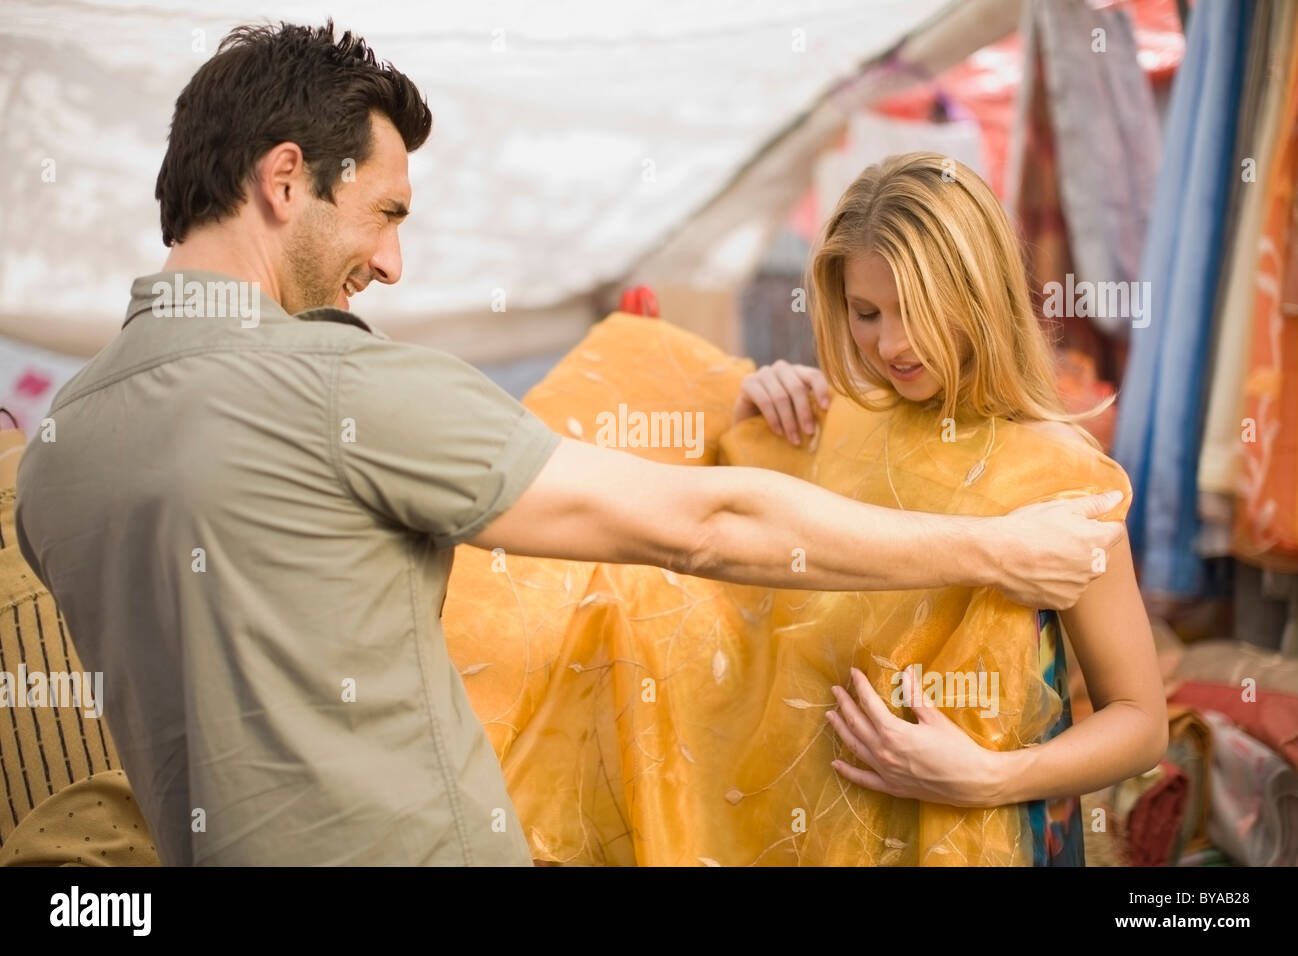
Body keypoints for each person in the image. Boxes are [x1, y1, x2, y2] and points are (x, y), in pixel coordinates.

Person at [14, 24, 1122, 867]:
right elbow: (707, 524)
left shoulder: (63, 448)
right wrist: (991, 551)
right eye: (387, 213)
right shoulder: (345, 389)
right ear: (286, 177)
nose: (393, 265)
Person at [438, 152, 1166, 866]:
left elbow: (1140, 722)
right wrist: (741, 406)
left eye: (917, 311)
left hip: (975, 830)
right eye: (866, 312)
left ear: (980, 295)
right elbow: (727, 544)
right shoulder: (834, 420)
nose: (892, 344)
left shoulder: (1061, 476)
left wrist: (988, 778)